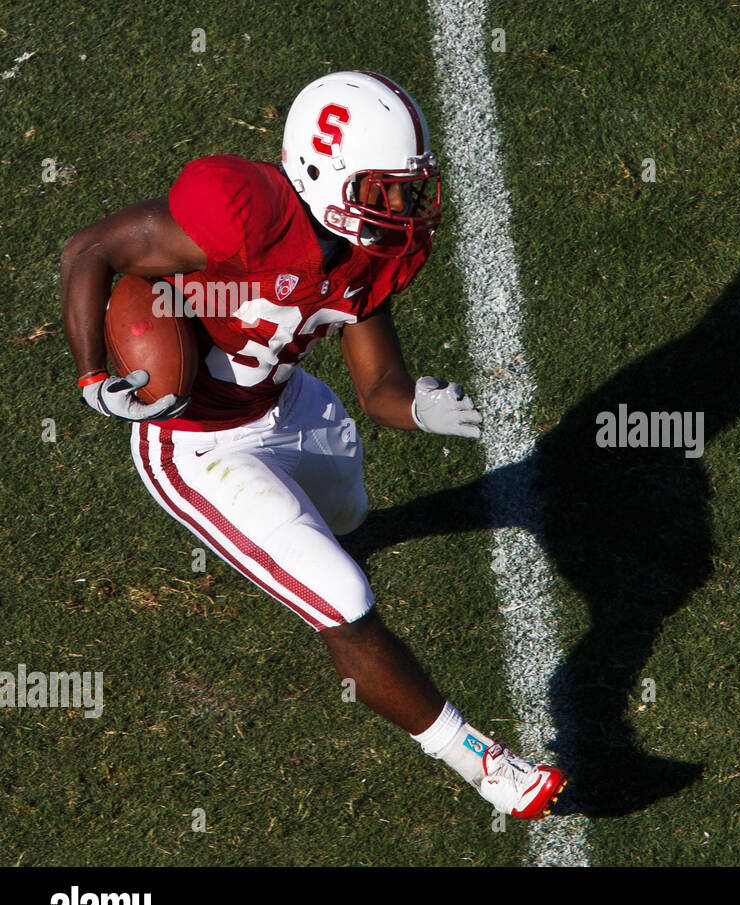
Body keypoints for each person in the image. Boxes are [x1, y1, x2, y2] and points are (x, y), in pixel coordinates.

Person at [59, 70, 565, 820]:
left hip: (293, 405)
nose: (404, 206)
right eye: (384, 189)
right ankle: (482, 762)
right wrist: (92, 375)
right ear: (325, 176)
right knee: (344, 600)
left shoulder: (369, 252)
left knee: (350, 516)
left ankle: (303, 543)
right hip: (197, 446)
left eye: (408, 187)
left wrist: (419, 408)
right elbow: (89, 247)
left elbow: (379, 387)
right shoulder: (244, 216)